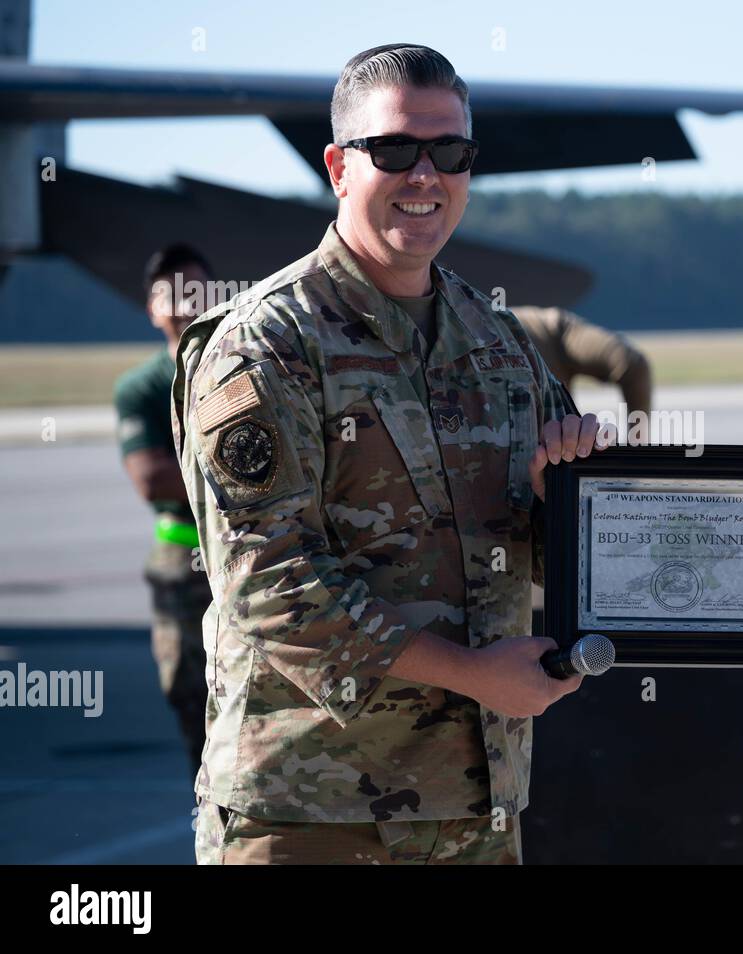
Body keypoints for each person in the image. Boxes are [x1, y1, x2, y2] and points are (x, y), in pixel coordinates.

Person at [173, 43, 603, 865]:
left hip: (477, 813)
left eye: (452, 153)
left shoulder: (500, 344)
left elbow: (551, 561)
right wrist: (478, 676)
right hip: (312, 815)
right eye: (396, 150)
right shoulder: (265, 346)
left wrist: (567, 502)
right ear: (339, 167)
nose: (425, 175)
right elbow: (271, 586)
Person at [113, 244, 215, 779]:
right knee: (190, 696)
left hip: (250, 556)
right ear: (152, 309)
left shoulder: (249, 368)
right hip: (184, 559)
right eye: (170, 294)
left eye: (195, 289)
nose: (183, 303)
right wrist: (242, 478)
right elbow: (152, 479)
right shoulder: (144, 388)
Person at [512, 306, 652, 418]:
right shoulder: (543, 326)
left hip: (551, 329)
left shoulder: (547, 327)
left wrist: (636, 447)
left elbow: (631, 363)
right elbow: (633, 363)